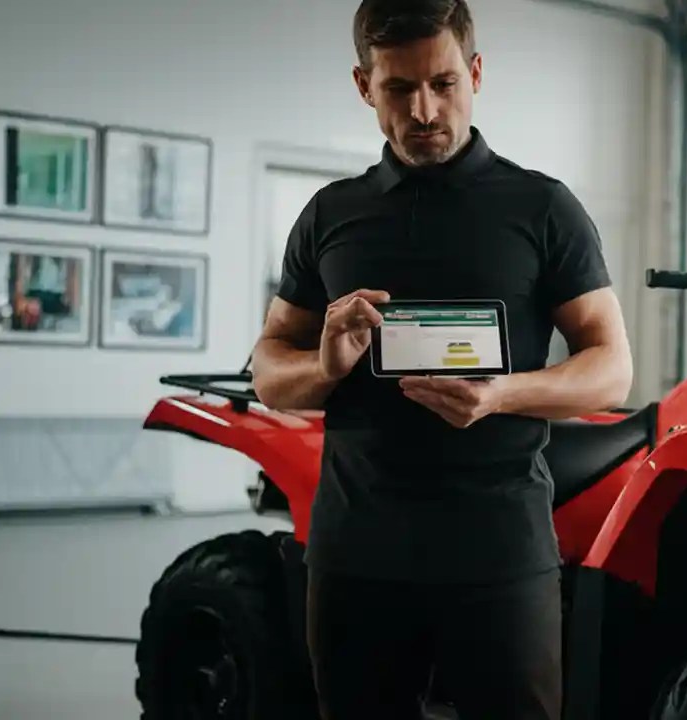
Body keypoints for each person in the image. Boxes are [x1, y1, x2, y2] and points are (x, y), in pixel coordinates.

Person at [249, 1, 633, 718]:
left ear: (476, 73)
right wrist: (326, 364)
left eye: (444, 82)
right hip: (355, 555)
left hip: (500, 555)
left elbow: (611, 367)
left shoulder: (544, 208)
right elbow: (270, 372)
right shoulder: (330, 215)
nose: (424, 109)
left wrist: (501, 395)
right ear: (365, 86)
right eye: (399, 89)